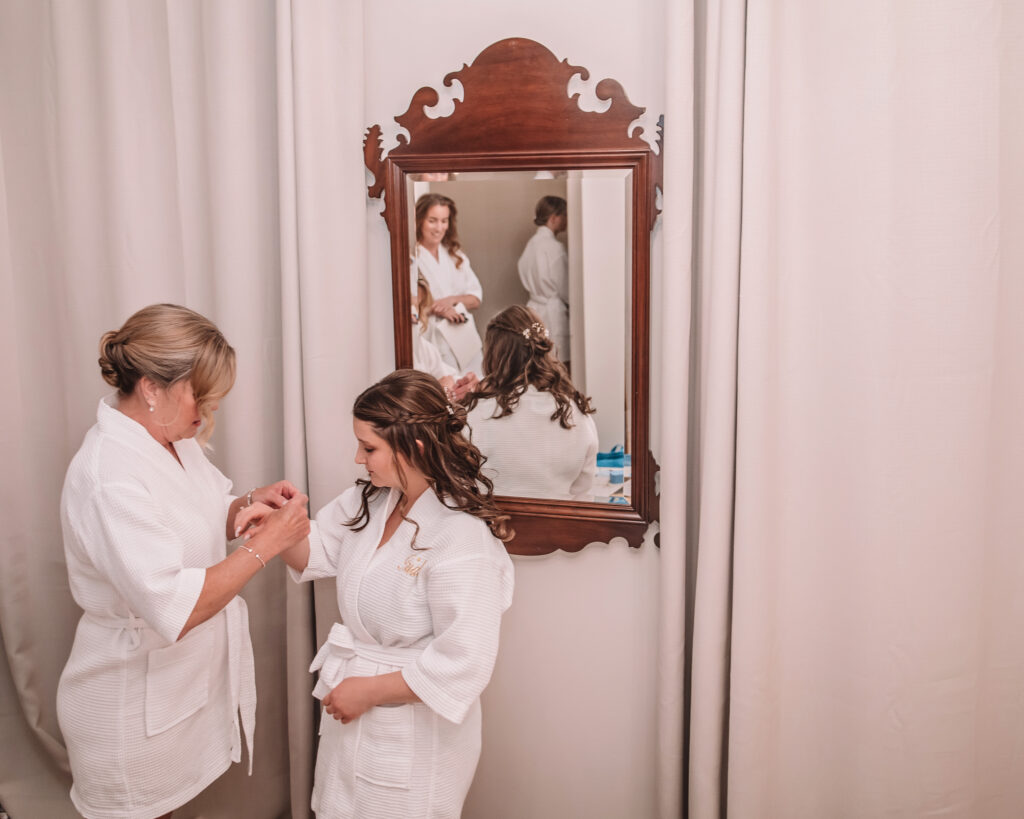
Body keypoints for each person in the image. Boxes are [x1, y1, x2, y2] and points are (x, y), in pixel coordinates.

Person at [57, 304, 310, 819]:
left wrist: (245, 506)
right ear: (152, 387)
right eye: (200, 391)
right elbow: (178, 607)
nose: (209, 405)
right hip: (125, 706)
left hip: (177, 689)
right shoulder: (110, 476)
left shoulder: (170, 436)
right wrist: (267, 545)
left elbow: (192, 515)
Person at [238, 369, 514, 818]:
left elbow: (466, 660)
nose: (357, 458)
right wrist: (274, 528)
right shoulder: (372, 499)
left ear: (415, 445)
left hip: (411, 724)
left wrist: (368, 692)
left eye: (369, 448)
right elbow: (316, 552)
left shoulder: (462, 536)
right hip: (354, 702)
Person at [463, 305, 598, 500]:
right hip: (561, 527)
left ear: (493, 356)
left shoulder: (476, 414)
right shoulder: (575, 413)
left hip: (491, 526)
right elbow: (583, 493)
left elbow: (460, 487)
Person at [411, 193, 484, 376]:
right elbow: (409, 304)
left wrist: (451, 301)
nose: (439, 228)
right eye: (432, 220)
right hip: (431, 337)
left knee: (473, 386)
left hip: (463, 336)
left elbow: (475, 298)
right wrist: (436, 308)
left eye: (444, 221)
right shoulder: (412, 257)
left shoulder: (455, 255)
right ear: (420, 220)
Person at [517, 195, 570, 363]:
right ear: (554, 218)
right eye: (565, 215)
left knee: (539, 362)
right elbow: (565, 288)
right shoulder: (554, 248)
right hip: (552, 312)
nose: (567, 220)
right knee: (558, 362)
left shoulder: (531, 244)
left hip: (534, 310)